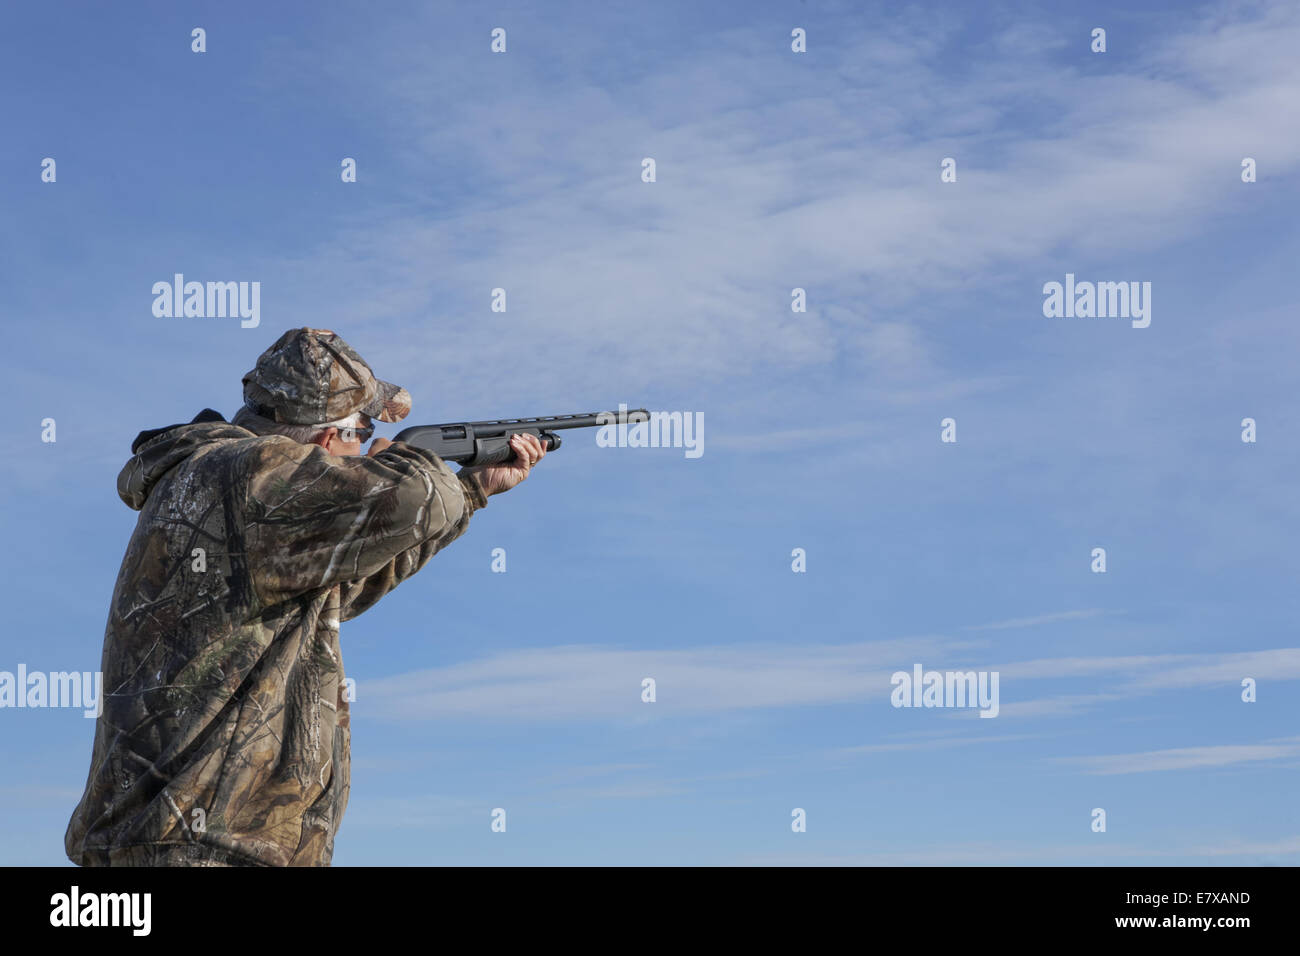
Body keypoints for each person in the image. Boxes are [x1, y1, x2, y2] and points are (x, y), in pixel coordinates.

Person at [64, 327, 545, 866]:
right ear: (324, 438)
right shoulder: (241, 471)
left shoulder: (226, 490)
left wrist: (475, 489)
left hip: (191, 844)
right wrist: (405, 462)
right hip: (199, 849)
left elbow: (344, 587)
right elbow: (411, 496)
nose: (365, 444)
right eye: (361, 431)